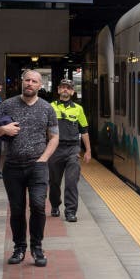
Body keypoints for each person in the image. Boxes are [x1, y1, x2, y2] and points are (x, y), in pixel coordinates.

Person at [0, 70, 59, 267]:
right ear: (22, 82)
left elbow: (54, 138)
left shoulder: (47, 108)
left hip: (37, 166)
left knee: (37, 206)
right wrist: (3, 129)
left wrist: (43, 159)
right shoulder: (7, 104)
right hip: (13, 167)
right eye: (27, 79)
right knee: (17, 210)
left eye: (34, 81)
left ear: (39, 85)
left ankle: (37, 248)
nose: (29, 83)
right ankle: (19, 248)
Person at [49, 78, 91, 222]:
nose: (65, 89)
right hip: (55, 149)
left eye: (68, 88)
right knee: (54, 182)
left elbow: (84, 130)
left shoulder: (78, 109)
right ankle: (55, 204)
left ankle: (70, 211)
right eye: (63, 87)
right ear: (59, 90)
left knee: (71, 181)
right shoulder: (50, 107)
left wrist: (88, 150)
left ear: (72, 92)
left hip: (73, 149)